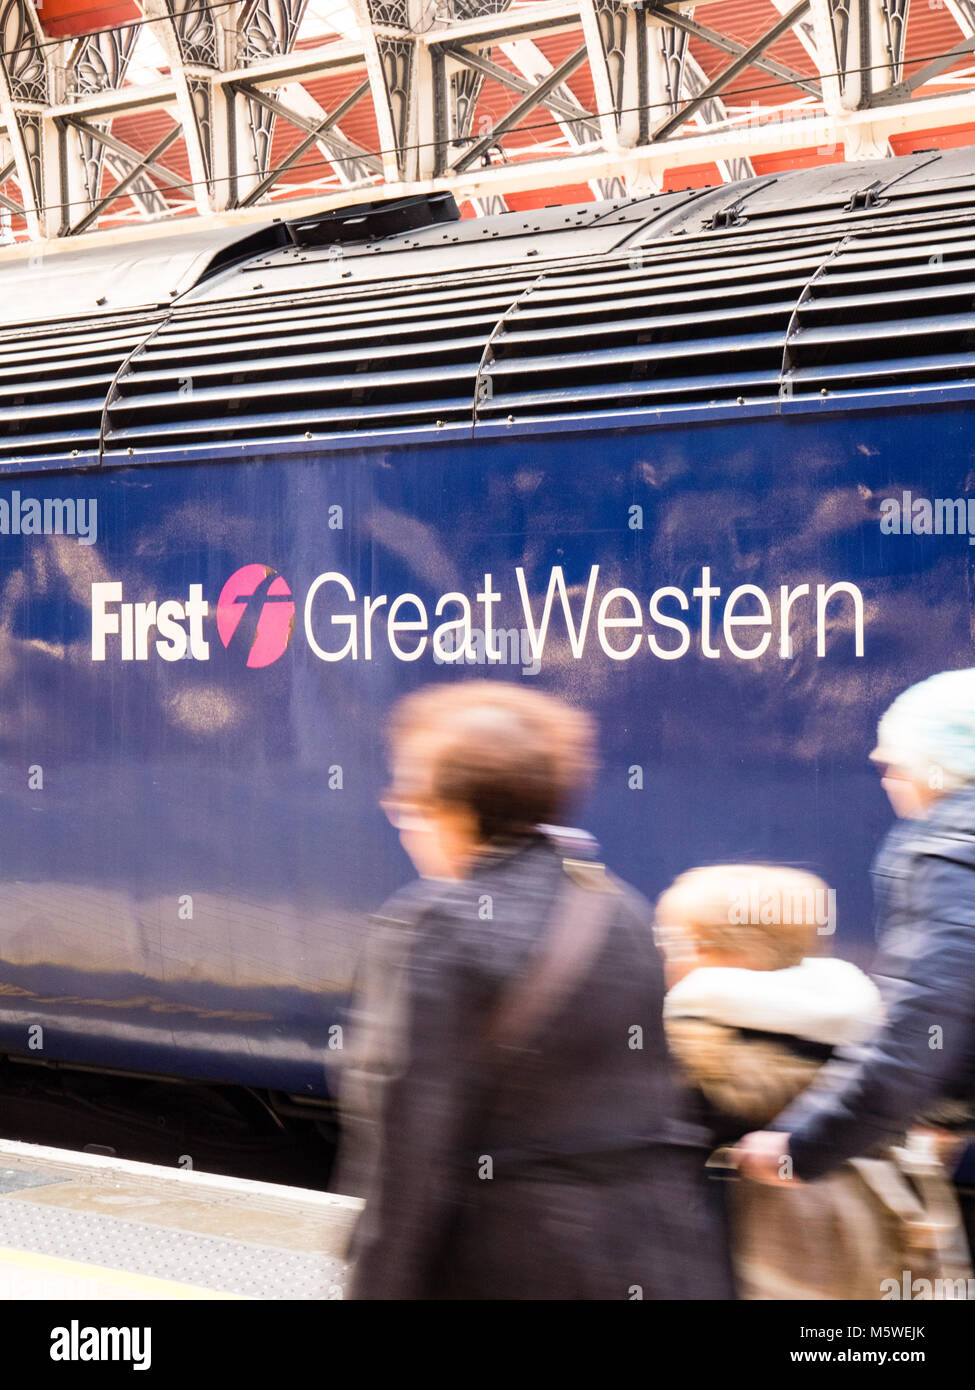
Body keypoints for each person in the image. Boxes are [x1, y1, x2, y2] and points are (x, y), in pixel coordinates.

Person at [336, 679, 733, 1300]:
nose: (396, 809)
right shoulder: (619, 908)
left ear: (458, 811)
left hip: (518, 1264)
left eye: (409, 795)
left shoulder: (437, 923)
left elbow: (408, 1161)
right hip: (655, 1258)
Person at [737, 669, 975, 1205]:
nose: (887, 779)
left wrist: (804, 1145)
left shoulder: (948, 845)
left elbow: (929, 1013)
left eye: (896, 764)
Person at [656, 863, 889, 1297]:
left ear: (735, 954)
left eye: (676, 943)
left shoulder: (689, 1058)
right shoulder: (874, 1051)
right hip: (853, 1252)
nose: (667, 957)